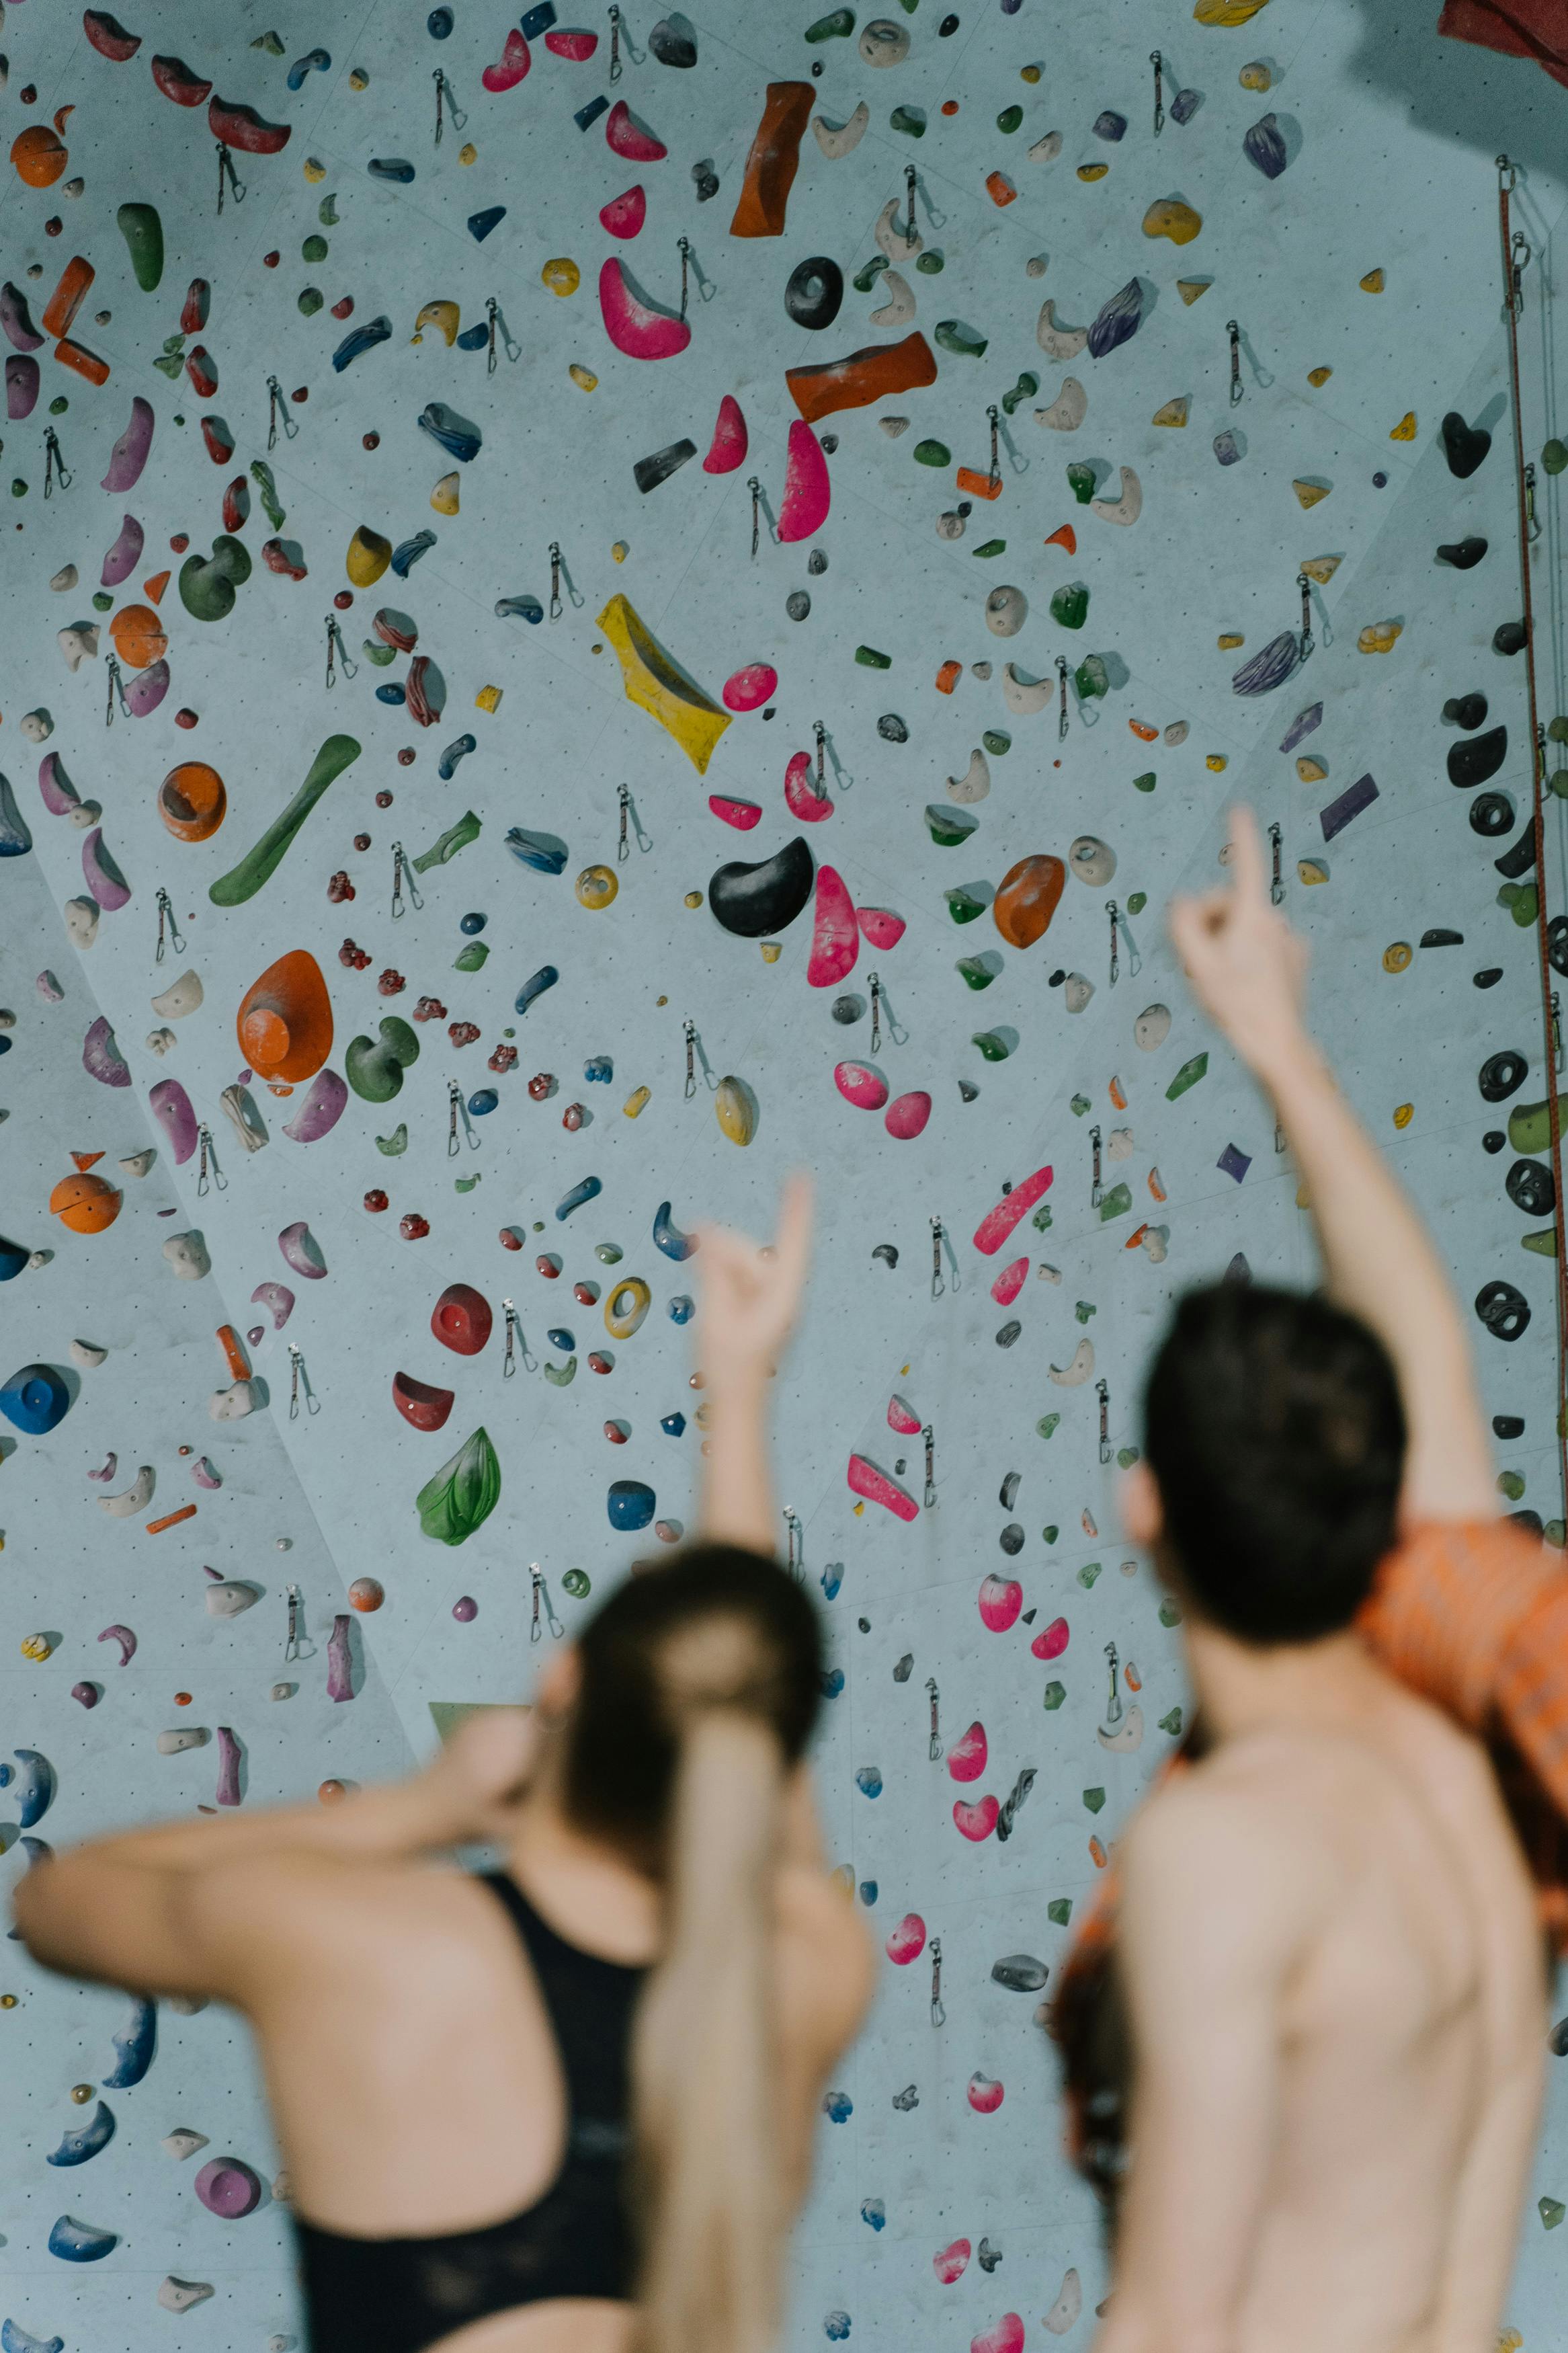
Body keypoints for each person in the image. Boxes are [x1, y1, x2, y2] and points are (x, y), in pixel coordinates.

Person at [15, 1174, 875, 2353]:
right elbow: (729, 1701)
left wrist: (417, 1811)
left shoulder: (367, 1945)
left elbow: (60, 1901)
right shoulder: (803, 1971)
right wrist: (739, 1392)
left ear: (558, 1685)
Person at [1053, 807, 1567, 2353]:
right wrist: (1282, 1049)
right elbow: (1426, 1375)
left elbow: (1169, 2325)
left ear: (1144, 1514)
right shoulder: (1472, 1732)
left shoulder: (1234, 1848)